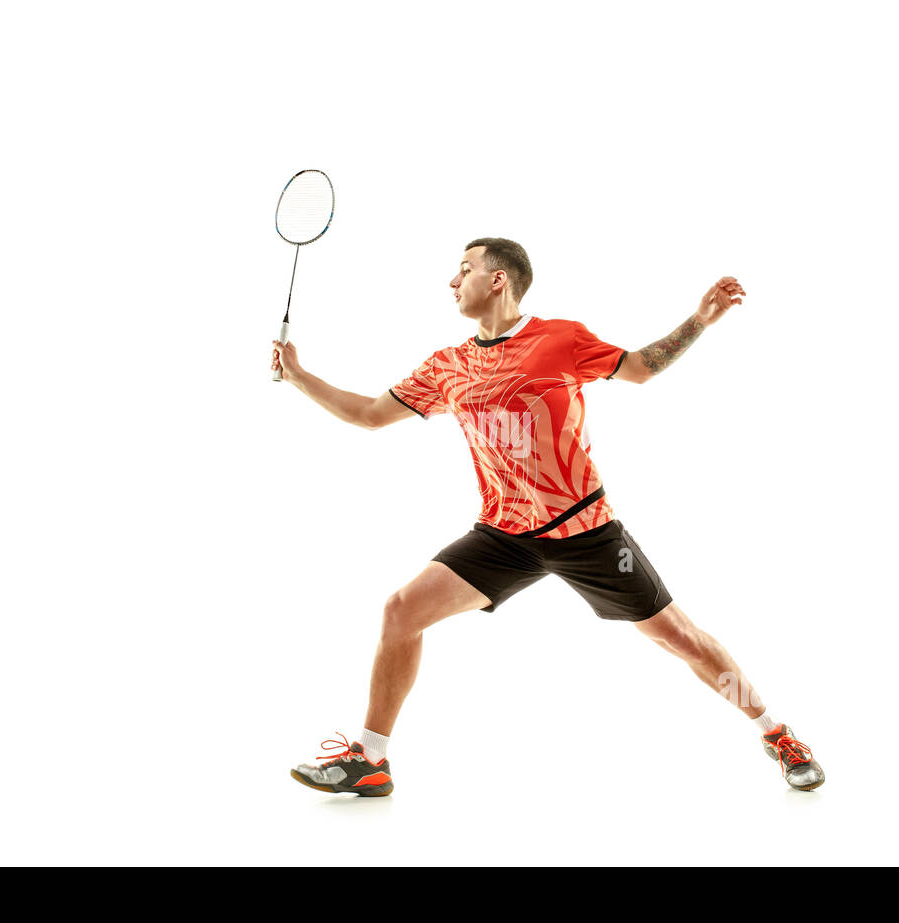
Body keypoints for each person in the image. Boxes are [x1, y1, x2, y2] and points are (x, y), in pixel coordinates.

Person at [271, 237, 824, 796]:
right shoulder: (448, 366)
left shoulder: (560, 339)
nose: (451, 280)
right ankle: (370, 759)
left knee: (679, 637)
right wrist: (298, 376)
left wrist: (699, 320)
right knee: (400, 612)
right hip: (503, 535)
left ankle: (775, 733)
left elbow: (639, 369)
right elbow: (368, 414)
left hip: (587, 532)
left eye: (464, 268)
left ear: (498, 280)